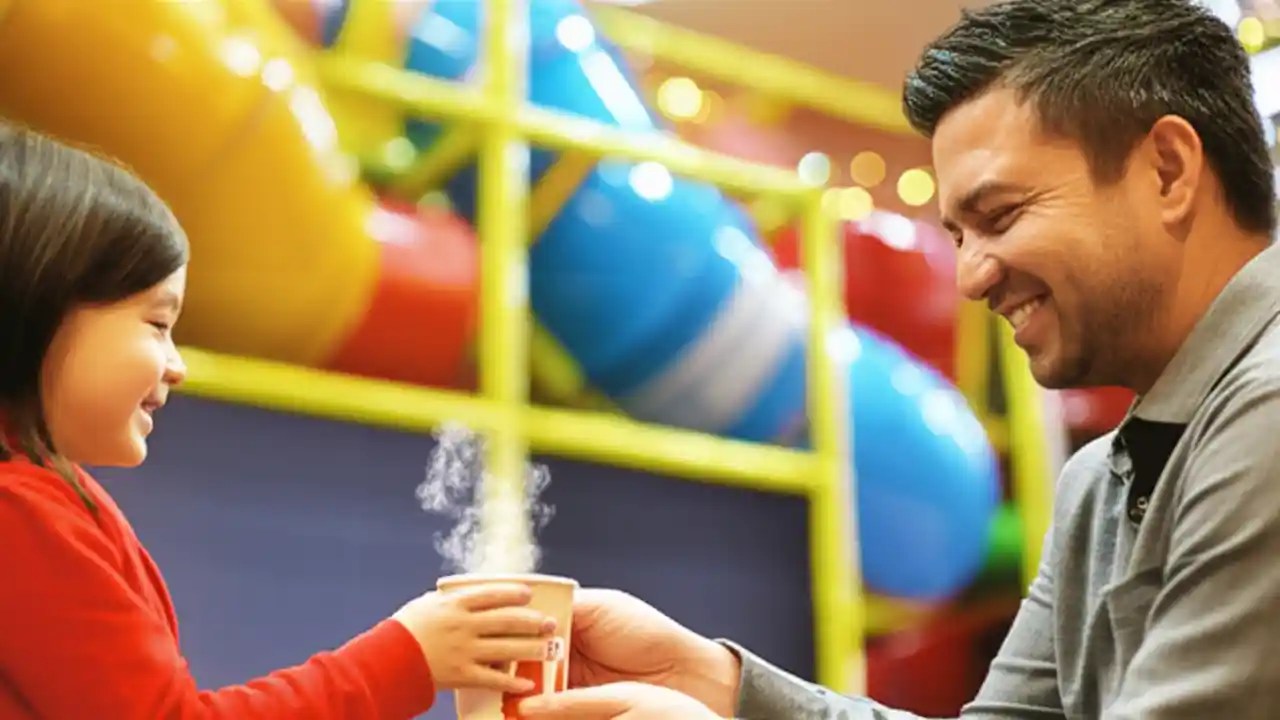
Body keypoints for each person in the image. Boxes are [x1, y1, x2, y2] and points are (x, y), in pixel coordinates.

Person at [518, 0, 1280, 718]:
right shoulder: (1102, 481)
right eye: (959, 236)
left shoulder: (1265, 415)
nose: (972, 276)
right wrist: (718, 687)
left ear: (1170, 171)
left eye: (1003, 216)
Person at [0, 124, 562, 718]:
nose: (177, 367)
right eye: (158, 325)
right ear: (38, 301)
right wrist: (409, 657)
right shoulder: (20, 511)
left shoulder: (50, 498)